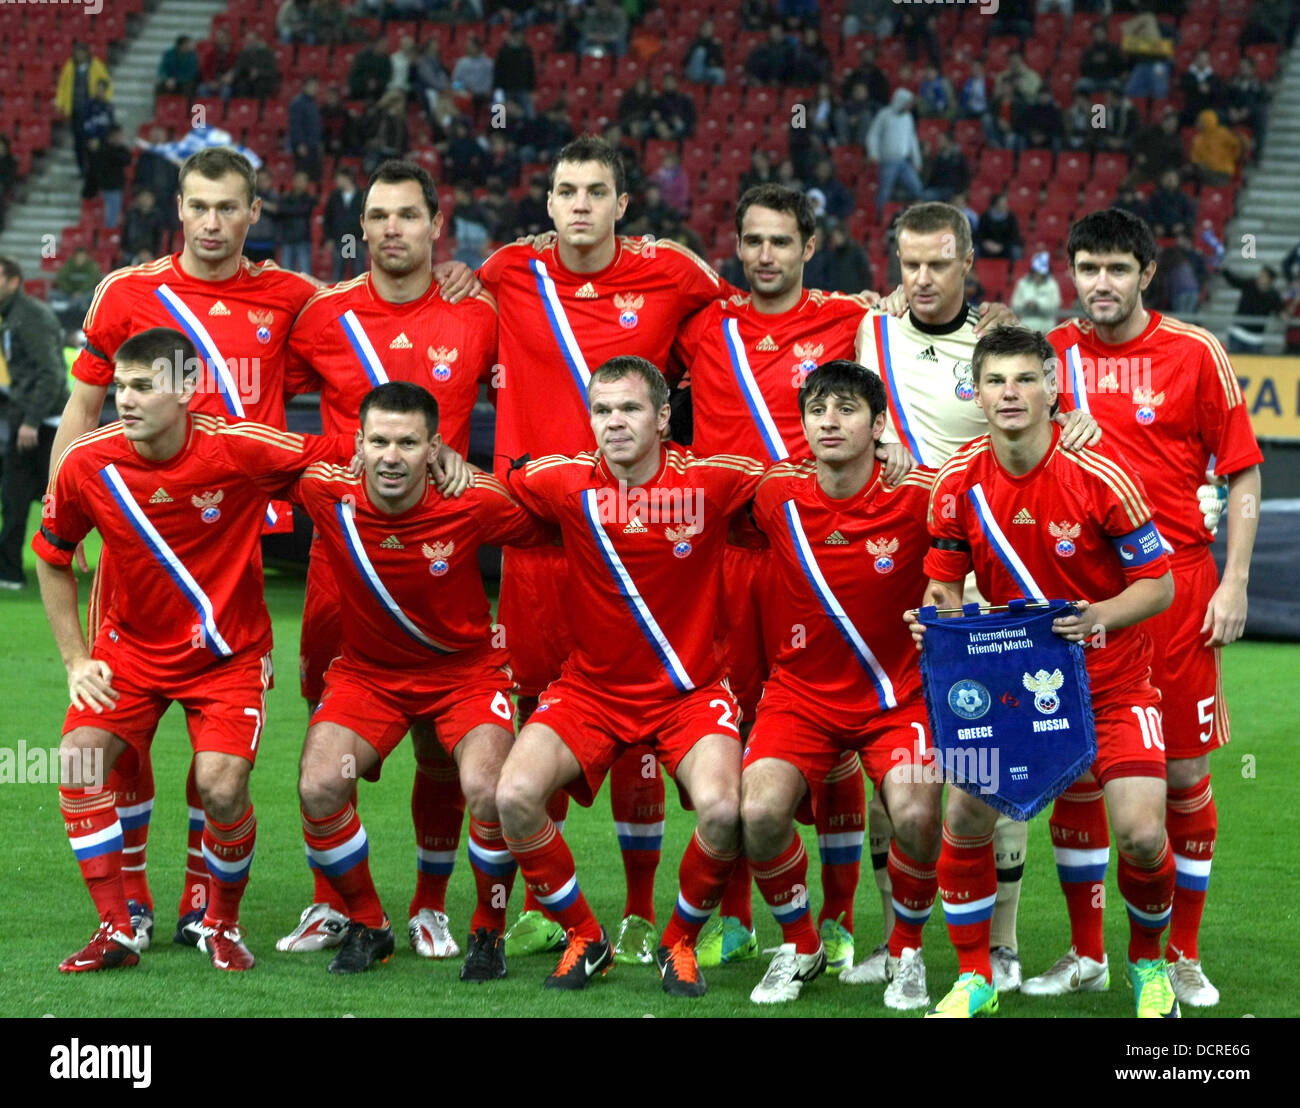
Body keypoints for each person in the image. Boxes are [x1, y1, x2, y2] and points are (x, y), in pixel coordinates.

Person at [477, 135, 732, 966]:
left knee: (647, 713)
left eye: (596, 191)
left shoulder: (676, 273)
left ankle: (642, 914)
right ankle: (523, 912)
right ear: (546, 203)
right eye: (564, 190)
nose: (579, 204)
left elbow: (746, 321)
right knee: (522, 728)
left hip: (641, 532)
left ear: (625, 204)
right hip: (537, 533)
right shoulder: (506, 270)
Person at [35, 326, 348, 973]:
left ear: (187, 390)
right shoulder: (87, 463)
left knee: (221, 786)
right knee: (78, 762)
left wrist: (428, 456)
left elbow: (340, 454)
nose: (126, 399)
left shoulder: (238, 447)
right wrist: (75, 658)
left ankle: (220, 923)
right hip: (127, 655)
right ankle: (116, 928)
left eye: (144, 387)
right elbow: (52, 557)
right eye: (121, 386)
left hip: (226, 658)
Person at [848, 201, 1100, 992]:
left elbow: (1057, 421)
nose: (921, 279)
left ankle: (1003, 942)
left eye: (937, 263)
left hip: (980, 582)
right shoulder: (869, 330)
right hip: (891, 572)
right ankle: (901, 947)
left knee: (996, 766)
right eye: (908, 264)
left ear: (968, 265)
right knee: (896, 776)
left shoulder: (999, 346)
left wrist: (1080, 425)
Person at [917, 325, 1178, 1019]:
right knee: (967, 810)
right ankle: (976, 976)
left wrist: (1099, 616)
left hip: (1114, 684)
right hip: (1013, 692)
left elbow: (1159, 584)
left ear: (1052, 388)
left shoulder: (1099, 471)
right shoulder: (955, 481)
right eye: (996, 380)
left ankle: (1149, 969)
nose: (1010, 393)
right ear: (974, 391)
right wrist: (934, 618)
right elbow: (943, 586)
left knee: (1145, 833)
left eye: (1025, 378)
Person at [277, 160, 499, 958]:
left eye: (409, 215)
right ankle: (332, 902)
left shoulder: (480, 314)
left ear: (437, 225)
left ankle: (432, 904)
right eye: (379, 216)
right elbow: (270, 402)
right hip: (344, 568)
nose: (393, 229)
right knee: (327, 740)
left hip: (441, 561)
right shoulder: (321, 315)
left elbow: (539, 392)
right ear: (360, 227)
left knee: (444, 745)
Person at [1043, 211, 1262, 1009]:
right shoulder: (1049, 357)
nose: (1100, 282)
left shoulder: (1195, 352)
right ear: (1071, 271)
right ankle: (1084, 951)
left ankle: (1183, 954)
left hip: (1174, 592)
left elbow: (1239, 474)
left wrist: (1236, 580)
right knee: (1077, 772)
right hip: (1075, 598)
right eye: (1087, 267)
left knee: (1181, 770)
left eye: (1115, 268)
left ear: (1145, 273)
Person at [496, 357, 764, 995]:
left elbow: (795, 479)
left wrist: (886, 455)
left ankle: (678, 941)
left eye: (631, 409)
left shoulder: (711, 479)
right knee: (513, 796)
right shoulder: (564, 483)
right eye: (602, 410)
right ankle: (586, 937)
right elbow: (500, 479)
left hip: (690, 694)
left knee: (726, 810)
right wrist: (445, 466)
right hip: (590, 691)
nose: (614, 423)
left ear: (664, 417)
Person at [290, 381, 547, 978]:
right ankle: (369, 921)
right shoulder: (324, 491)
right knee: (321, 784)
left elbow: (557, 524)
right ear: (356, 444)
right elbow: (247, 461)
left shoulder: (475, 500)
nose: (390, 455)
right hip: (369, 676)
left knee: (487, 790)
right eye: (378, 440)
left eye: (407, 443)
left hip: (464, 673)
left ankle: (484, 928)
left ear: (434, 448)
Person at [740, 359, 943, 1006]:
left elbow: (996, 478)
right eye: (818, 409)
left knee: (915, 812)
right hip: (801, 695)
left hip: (897, 694)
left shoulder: (922, 494)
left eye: (848, 409)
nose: (829, 421)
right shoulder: (774, 494)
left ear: (880, 424)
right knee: (758, 810)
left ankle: (906, 951)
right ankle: (802, 946)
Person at [0, 257, 67, 589]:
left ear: (13, 281)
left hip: (44, 425)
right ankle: (9, 571)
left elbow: (52, 373)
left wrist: (32, 421)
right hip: (29, 418)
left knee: (66, 502)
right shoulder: (13, 317)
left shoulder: (30, 317)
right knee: (14, 496)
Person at [55, 42, 112, 176]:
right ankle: (82, 168)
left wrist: (104, 101)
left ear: (86, 53)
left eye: (81, 53)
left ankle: (93, 167)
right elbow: (63, 85)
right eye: (77, 53)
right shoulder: (70, 66)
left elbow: (106, 83)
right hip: (76, 110)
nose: (79, 55)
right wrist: (61, 103)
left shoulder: (96, 65)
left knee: (92, 139)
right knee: (78, 140)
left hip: (92, 111)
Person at [867, 89, 923, 218]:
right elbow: (873, 135)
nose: (910, 106)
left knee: (917, 188)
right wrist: (873, 153)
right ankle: (880, 218)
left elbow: (912, 139)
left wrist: (917, 160)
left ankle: (914, 216)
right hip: (888, 161)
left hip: (904, 161)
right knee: (884, 193)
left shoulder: (908, 117)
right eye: (908, 103)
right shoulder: (884, 115)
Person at [1222, 265, 1285, 354]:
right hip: (1238, 333)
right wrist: (1224, 271)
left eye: (1263, 276)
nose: (1259, 278)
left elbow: (1281, 313)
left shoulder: (1274, 296)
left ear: (1271, 280)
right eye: (1260, 275)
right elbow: (1235, 281)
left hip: (1256, 339)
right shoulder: (1250, 284)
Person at [325, 166, 366, 280]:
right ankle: (338, 297)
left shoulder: (362, 195)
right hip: (340, 239)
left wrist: (365, 238)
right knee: (338, 272)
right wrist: (329, 238)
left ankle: (359, 297)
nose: (336, 181)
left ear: (347, 178)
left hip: (357, 239)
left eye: (338, 178)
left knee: (358, 273)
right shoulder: (334, 196)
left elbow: (368, 218)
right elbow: (328, 218)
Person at [1010, 251, 1061, 334]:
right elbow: (1015, 305)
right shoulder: (1022, 283)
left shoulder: (1052, 284)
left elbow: (1055, 307)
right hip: (1026, 329)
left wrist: (1038, 306)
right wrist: (1026, 305)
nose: (1038, 275)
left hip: (1047, 329)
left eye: (1041, 273)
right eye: (1036, 272)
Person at [288, 76, 323, 180]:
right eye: (312, 86)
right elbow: (295, 125)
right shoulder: (298, 103)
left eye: (316, 86)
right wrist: (299, 143)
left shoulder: (313, 103)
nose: (315, 88)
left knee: (315, 176)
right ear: (305, 87)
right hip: (304, 147)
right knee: (303, 175)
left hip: (313, 146)